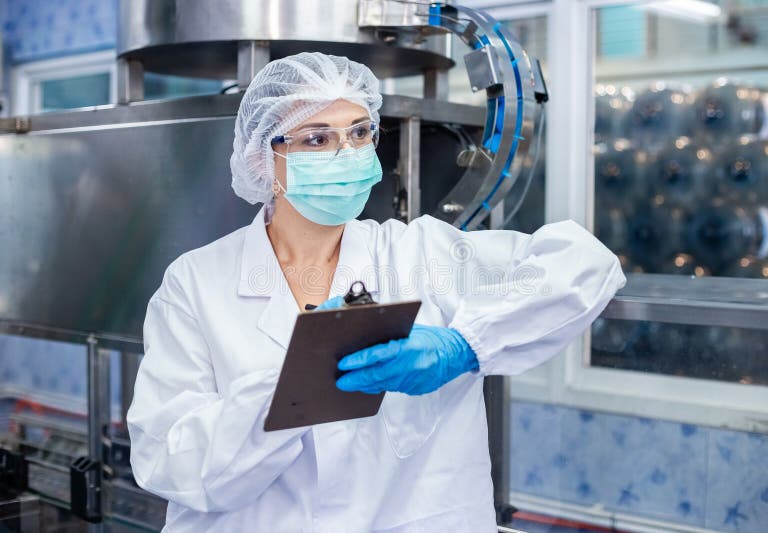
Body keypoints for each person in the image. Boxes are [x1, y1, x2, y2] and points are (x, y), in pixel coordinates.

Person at [127, 52, 626, 533]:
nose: (346, 153)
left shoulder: (420, 254)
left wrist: (466, 344)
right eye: (317, 138)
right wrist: (291, 389)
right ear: (263, 158)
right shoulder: (195, 283)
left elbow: (586, 264)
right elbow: (168, 460)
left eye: (360, 132)